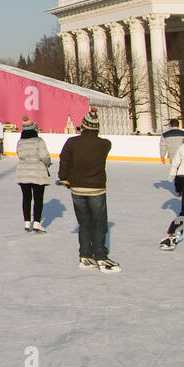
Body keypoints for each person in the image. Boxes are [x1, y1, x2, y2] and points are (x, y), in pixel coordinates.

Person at [58, 110, 119, 272]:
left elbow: (64, 161)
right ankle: (100, 255)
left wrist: (64, 178)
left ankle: (85, 255)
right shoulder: (105, 144)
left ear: (83, 126)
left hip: (77, 188)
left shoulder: (71, 142)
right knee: (99, 223)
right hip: (96, 189)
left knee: (84, 223)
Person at [14, 116, 52, 233]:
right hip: (37, 172)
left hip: (23, 172)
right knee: (38, 198)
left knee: (26, 198)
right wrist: (48, 162)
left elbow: (19, 155)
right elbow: (44, 156)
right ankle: (36, 223)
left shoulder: (20, 142)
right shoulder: (39, 141)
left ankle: (26, 222)